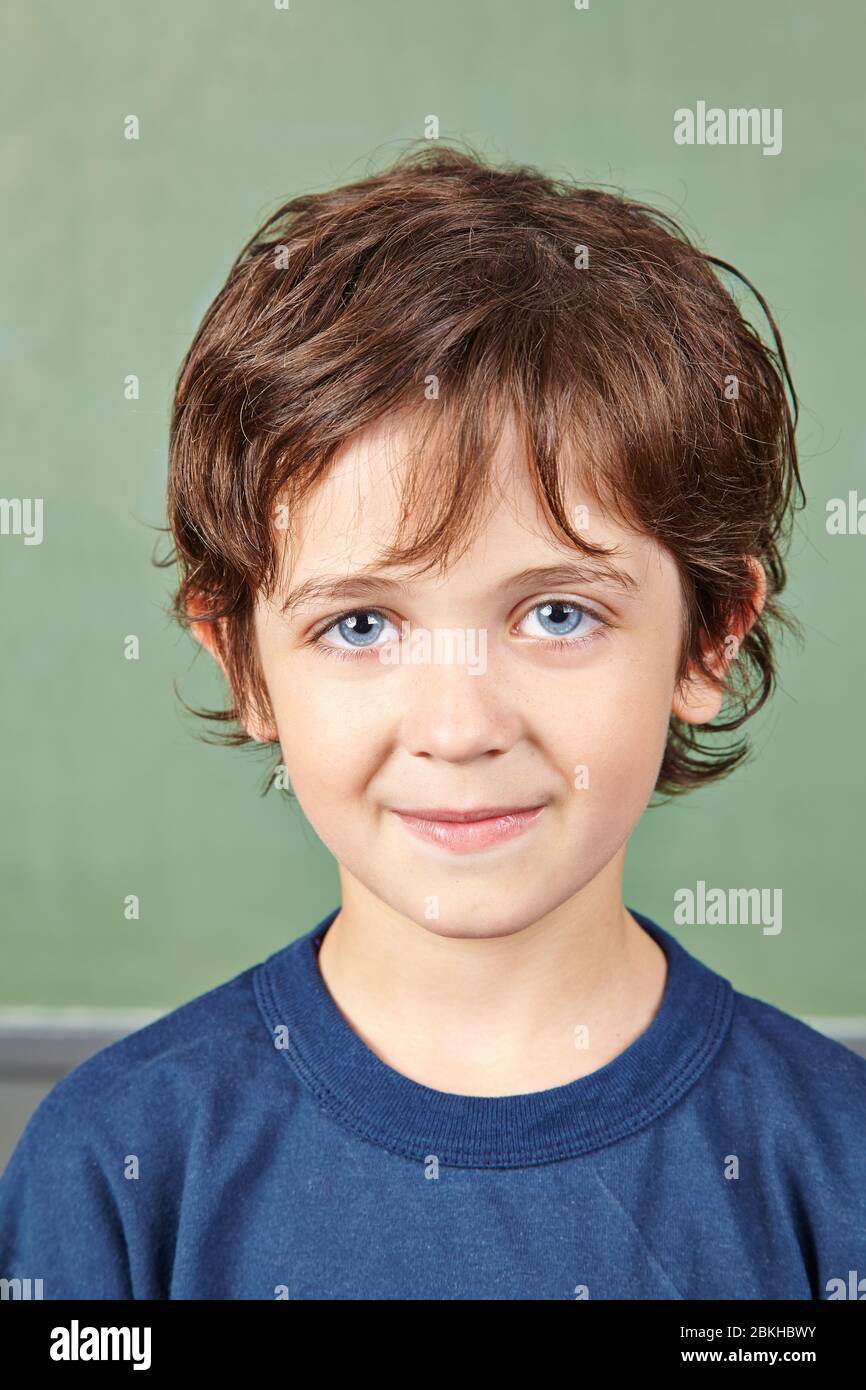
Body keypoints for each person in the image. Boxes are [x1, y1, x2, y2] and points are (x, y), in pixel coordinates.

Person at [2, 143, 864, 1300]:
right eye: (360, 625)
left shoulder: (832, 1170)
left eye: (556, 612)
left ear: (707, 637)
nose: (458, 727)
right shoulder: (116, 1169)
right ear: (245, 665)